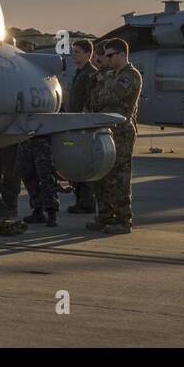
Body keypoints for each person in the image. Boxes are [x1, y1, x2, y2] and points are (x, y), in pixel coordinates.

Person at [87, 38, 142, 234]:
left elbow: (110, 97)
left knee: (119, 177)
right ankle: (105, 216)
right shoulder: (110, 75)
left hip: (122, 132)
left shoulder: (130, 75)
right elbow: (94, 101)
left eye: (110, 55)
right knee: (102, 174)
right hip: (105, 129)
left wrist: (104, 86)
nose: (106, 59)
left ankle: (122, 220)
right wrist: (103, 84)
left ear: (121, 54)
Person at [66, 39, 100, 214]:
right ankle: (81, 200)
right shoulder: (80, 73)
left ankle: (86, 202)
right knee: (77, 163)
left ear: (88, 54)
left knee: (85, 163)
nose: (74, 54)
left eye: (77, 52)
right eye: (74, 51)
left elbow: (92, 100)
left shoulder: (90, 74)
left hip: (84, 125)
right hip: (76, 123)